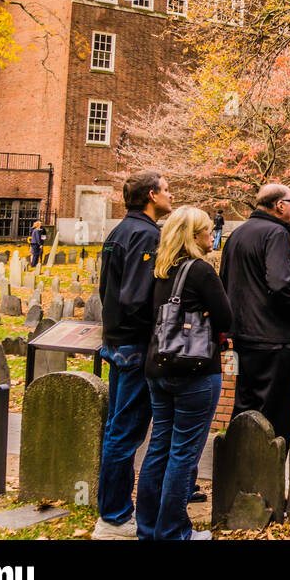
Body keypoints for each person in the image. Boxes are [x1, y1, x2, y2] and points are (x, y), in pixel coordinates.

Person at [135, 206, 232, 540]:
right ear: (194, 237)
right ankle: (174, 531)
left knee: (159, 446)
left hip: (157, 368)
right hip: (195, 369)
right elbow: (226, 319)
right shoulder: (201, 271)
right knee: (183, 452)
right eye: (207, 230)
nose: (212, 235)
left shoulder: (160, 270)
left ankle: (147, 527)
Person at [93, 170, 172, 539]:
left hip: (117, 341)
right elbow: (136, 297)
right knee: (124, 433)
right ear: (153, 195)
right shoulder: (146, 234)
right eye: (167, 190)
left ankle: (113, 508)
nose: (171, 195)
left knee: (117, 429)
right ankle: (114, 514)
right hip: (135, 346)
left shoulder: (118, 231)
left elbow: (106, 288)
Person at [219, 184, 290, 445]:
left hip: (245, 336)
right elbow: (281, 283)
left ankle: (240, 470)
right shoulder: (276, 234)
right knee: (276, 418)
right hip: (275, 339)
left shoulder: (237, 234)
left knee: (246, 410)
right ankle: (268, 477)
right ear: (279, 205)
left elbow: (225, 282)